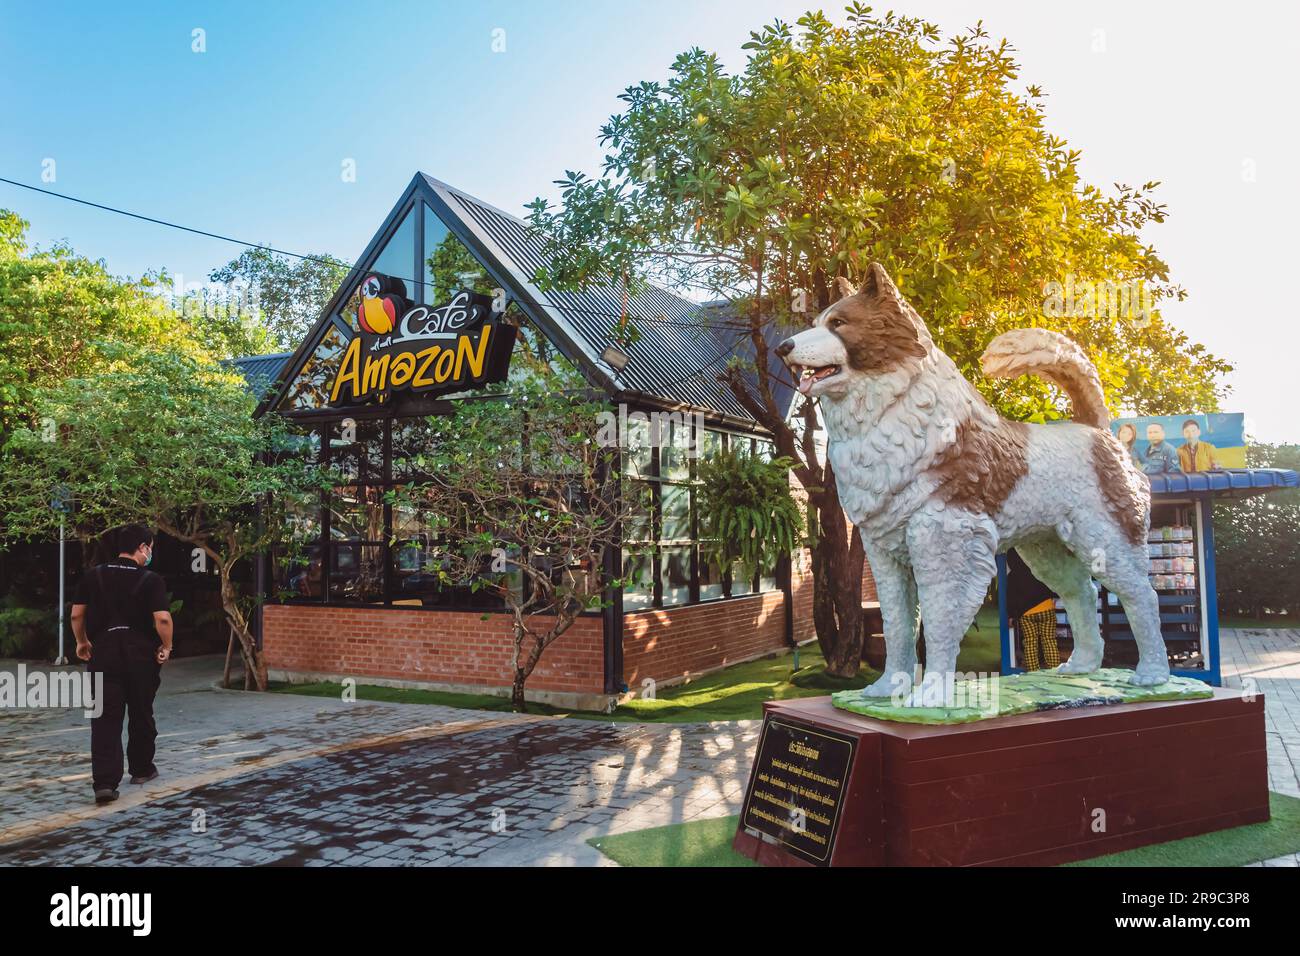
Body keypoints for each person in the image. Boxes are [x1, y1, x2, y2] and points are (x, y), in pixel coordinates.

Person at [71, 524, 173, 805]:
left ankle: (104, 783)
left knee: (104, 719)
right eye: (149, 546)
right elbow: (163, 619)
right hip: (141, 657)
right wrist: (166, 646)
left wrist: (82, 643)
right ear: (142, 547)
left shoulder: (94, 576)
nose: (150, 552)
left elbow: (77, 615)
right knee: (141, 712)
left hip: (103, 654)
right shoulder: (151, 580)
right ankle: (141, 770)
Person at [1005, 549, 1061, 671]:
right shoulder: (1037, 568)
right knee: (1049, 641)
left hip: (1026, 614)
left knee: (1030, 644)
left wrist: (1011, 615)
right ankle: (1054, 671)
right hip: (1046, 608)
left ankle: (1033, 673)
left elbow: (1010, 598)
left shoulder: (1013, 576)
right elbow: (1052, 584)